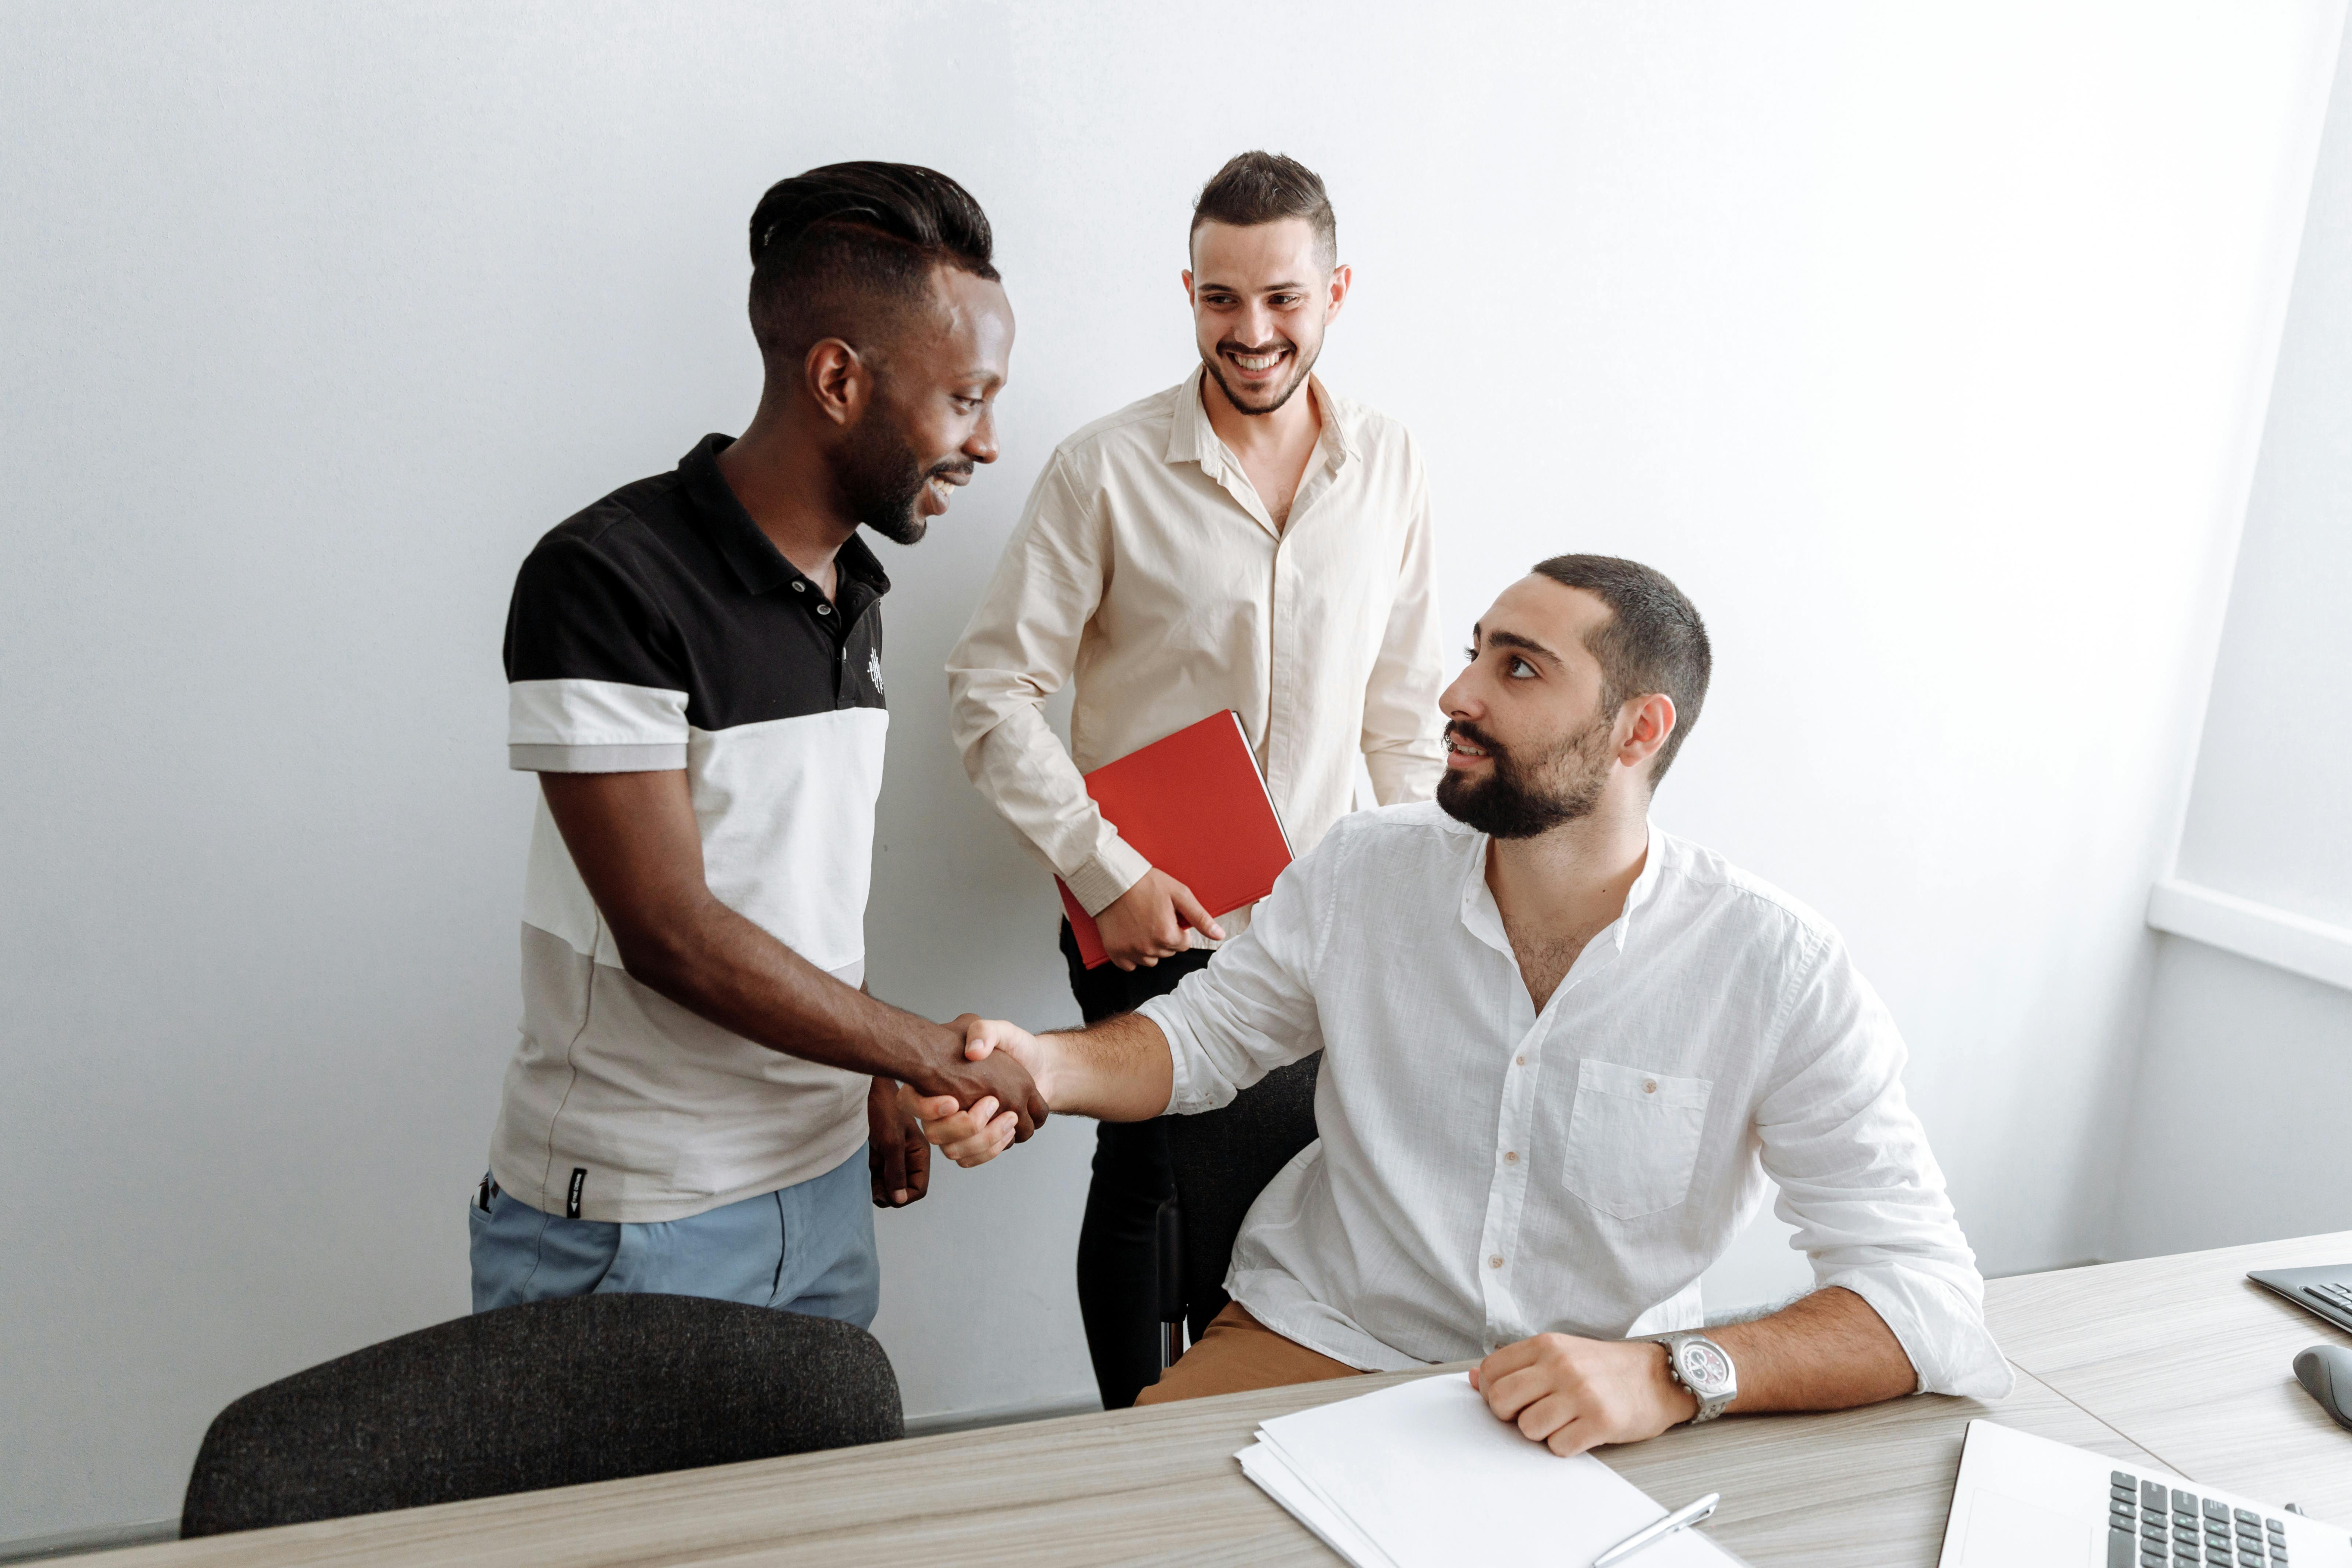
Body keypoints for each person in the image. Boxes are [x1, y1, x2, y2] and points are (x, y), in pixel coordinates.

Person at [928, 555, 2013, 1451]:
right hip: (1318, 1337)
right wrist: (1044, 1064)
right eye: (1475, 651)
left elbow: (1925, 1294)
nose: (1457, 694)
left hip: (1592, 1398)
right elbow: (1203, 1039)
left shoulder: (1777, 968)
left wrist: (1672, 1375)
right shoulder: (1361, 868)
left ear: (1638, 731)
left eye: (1519, 667)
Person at [469, 162, 1045, 1329]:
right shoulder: (603, 579)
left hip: (823, 1191)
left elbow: (787, 889)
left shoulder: (854, 592)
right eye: (965, 398)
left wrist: (870, 1065)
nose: (988, 443)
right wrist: (923, 1050)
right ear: (837, 379)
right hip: (638, 1218)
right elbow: (671, 929)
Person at [945, 151, 1448, 1408]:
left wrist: (1428, 897)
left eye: (1282, 298)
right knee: (1152, 1168)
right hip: (1147, 907)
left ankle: (1267, 1415)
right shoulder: (1102, 468)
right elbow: (988, 689)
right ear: (1187, 292)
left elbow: (1402, 716)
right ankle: (1137, 1439)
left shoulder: (1390, 463)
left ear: (1336, 292)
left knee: (1307, 1167)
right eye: (1221, 299)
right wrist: (1101, 866)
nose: (1251, 331)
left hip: (1330, 902)